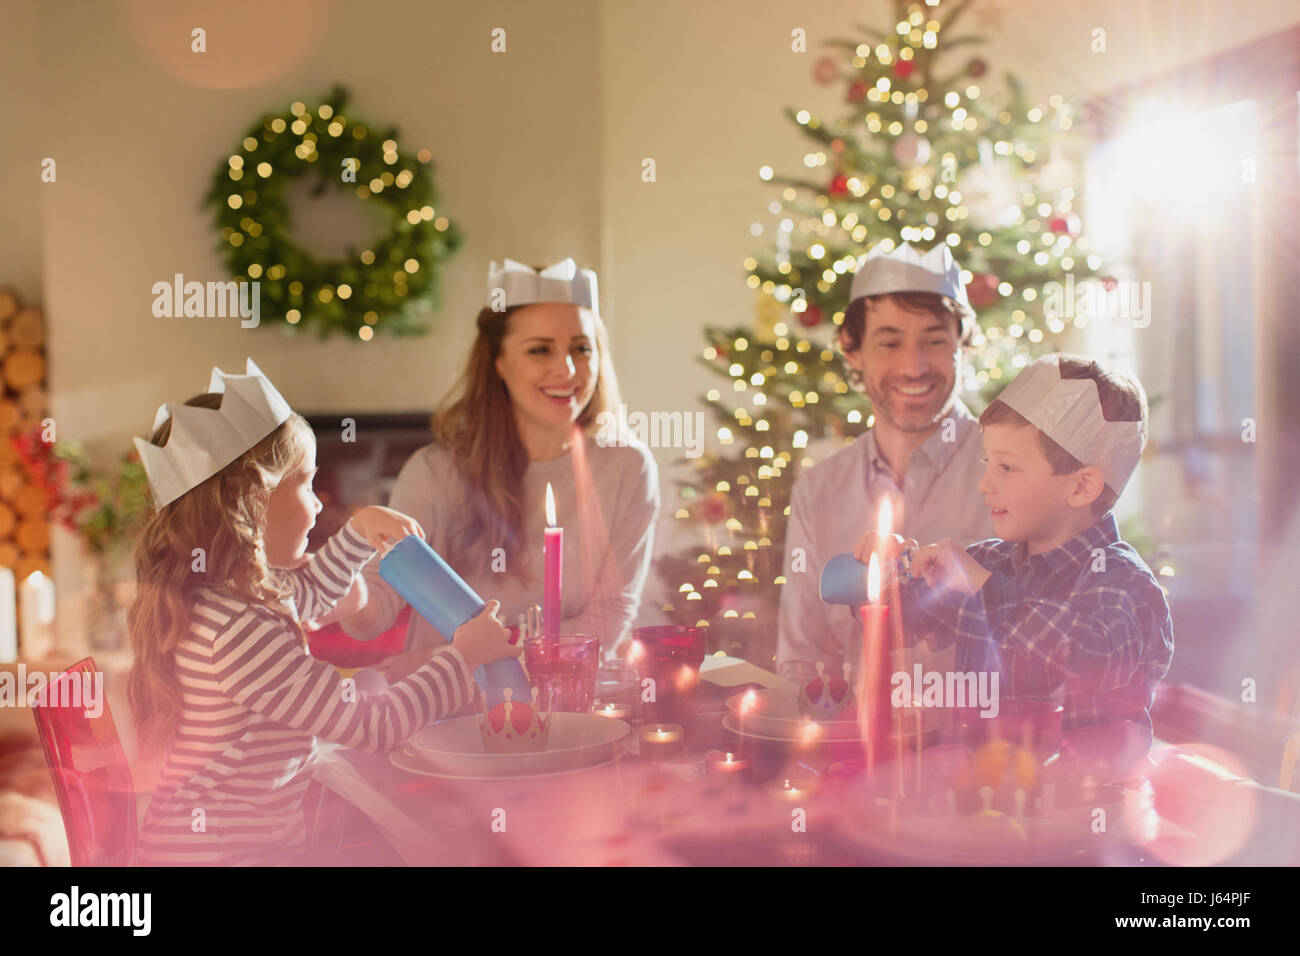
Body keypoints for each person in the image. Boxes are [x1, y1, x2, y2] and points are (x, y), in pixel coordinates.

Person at [127, 359, 520, 865]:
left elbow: (308, 592)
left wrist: (359, 534)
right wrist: (462, 658)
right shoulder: (240, 632)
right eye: (307, 485)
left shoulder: (224, 596)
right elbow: (375, 727)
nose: (319, 503)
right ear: (254, 501)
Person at [337, 259, 660, 664]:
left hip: (560, 698)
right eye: (540, 350)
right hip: (445, 708)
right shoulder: (435, 472)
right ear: (499, 363)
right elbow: (368, 618)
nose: (567, 369)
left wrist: (496, 664)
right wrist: (338, 574)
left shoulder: (628, 468)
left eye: (582, 348)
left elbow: (609, 615)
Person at [856, 354, 1175, 746]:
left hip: (1090, 799)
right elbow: (899, 624)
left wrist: (980, 587)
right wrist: (883, 573)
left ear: (1081, 487)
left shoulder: (1124, 584)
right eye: (988, 462)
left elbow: (1089, 658)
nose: (984, 484)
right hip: (986, 795)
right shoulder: (989, 562)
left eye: (1006, 468)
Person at [777, 242, 994, 683]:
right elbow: (802, 662)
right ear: (852, 350)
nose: (913, 366)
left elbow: (1056, 643)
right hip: (854, 748)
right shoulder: (817, 491)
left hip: (990, 746)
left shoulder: (1020, 471)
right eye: (889, 342)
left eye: (935, 341)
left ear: (964, 346)